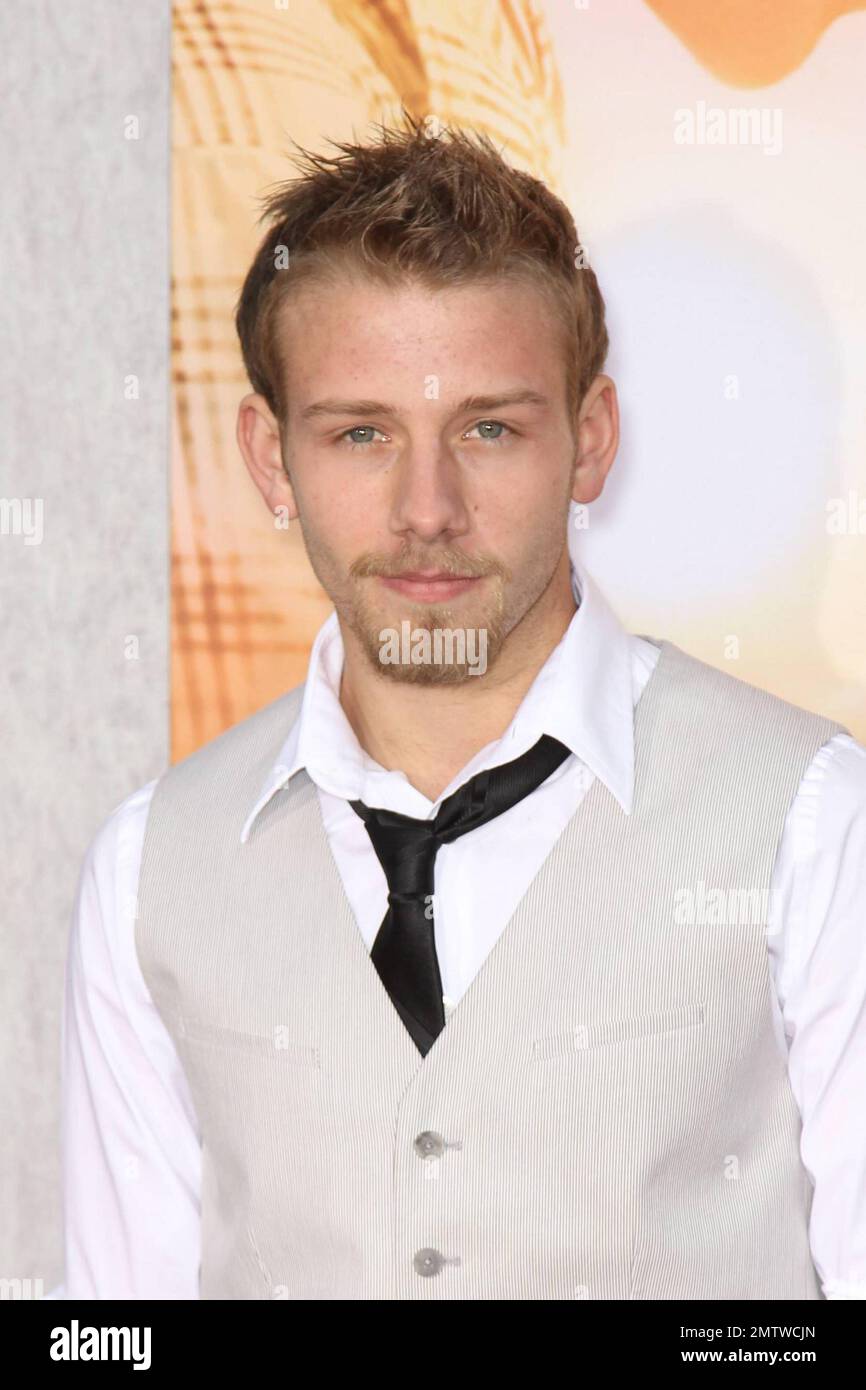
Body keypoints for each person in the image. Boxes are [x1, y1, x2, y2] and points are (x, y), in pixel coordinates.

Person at [56, 113, 866, 1300]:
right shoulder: (148, 871)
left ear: (587, 443)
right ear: (272, 460)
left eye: (487, 428)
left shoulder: (806, 822)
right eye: (360, 433)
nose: (425, 506)